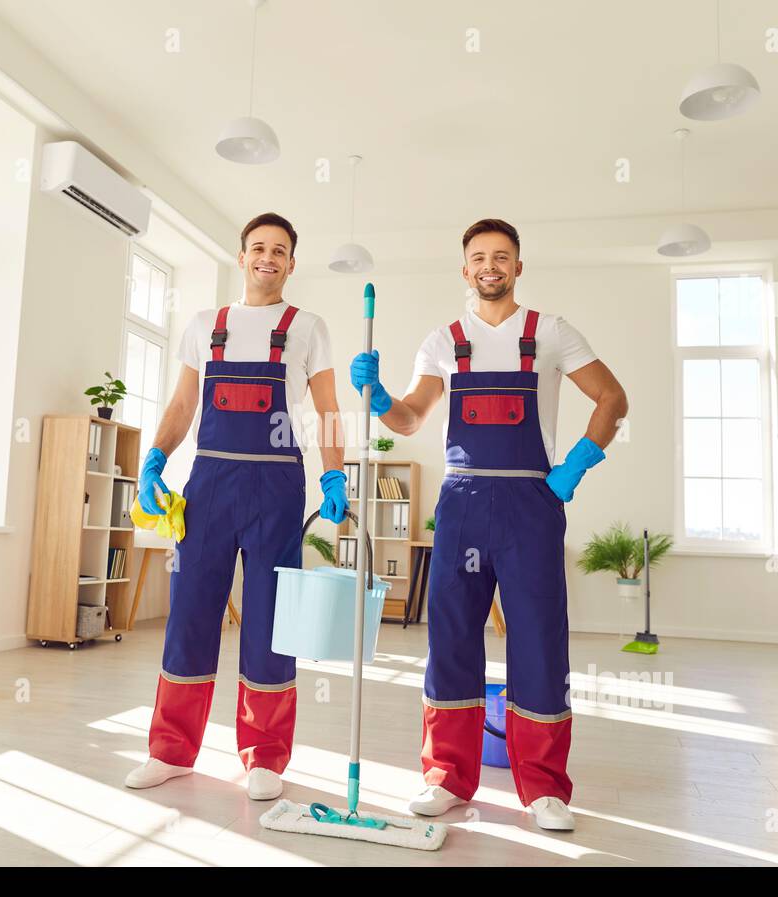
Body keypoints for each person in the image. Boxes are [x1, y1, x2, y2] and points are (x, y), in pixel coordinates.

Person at [348, 218, 628, 830]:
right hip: (463, 502)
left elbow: (613, 399)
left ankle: (545, 787)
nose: (490, 266)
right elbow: (410, 418)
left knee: (538, 638)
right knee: (449, 636)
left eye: (501, 256)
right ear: (465, 268)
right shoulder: (443, 341)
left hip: (531, 504)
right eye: (478, 257)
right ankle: (446, 775)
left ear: (518, 267)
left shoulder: (550, 332)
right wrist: (377, 397)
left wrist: (572, 468)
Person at [125, 213, 348, 801]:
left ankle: (265, 757)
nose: (267, 258)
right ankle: (170, 751)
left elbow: (326, 408)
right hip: (210, 484)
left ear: (292, 263)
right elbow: (181, 404)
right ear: (242, 256)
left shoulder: (308, 327)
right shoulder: (205, 325)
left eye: (280, 250)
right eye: (258, 248)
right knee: (190, 614)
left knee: (272, 623)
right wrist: (154, 459)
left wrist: (334, 474)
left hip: (277, 486)